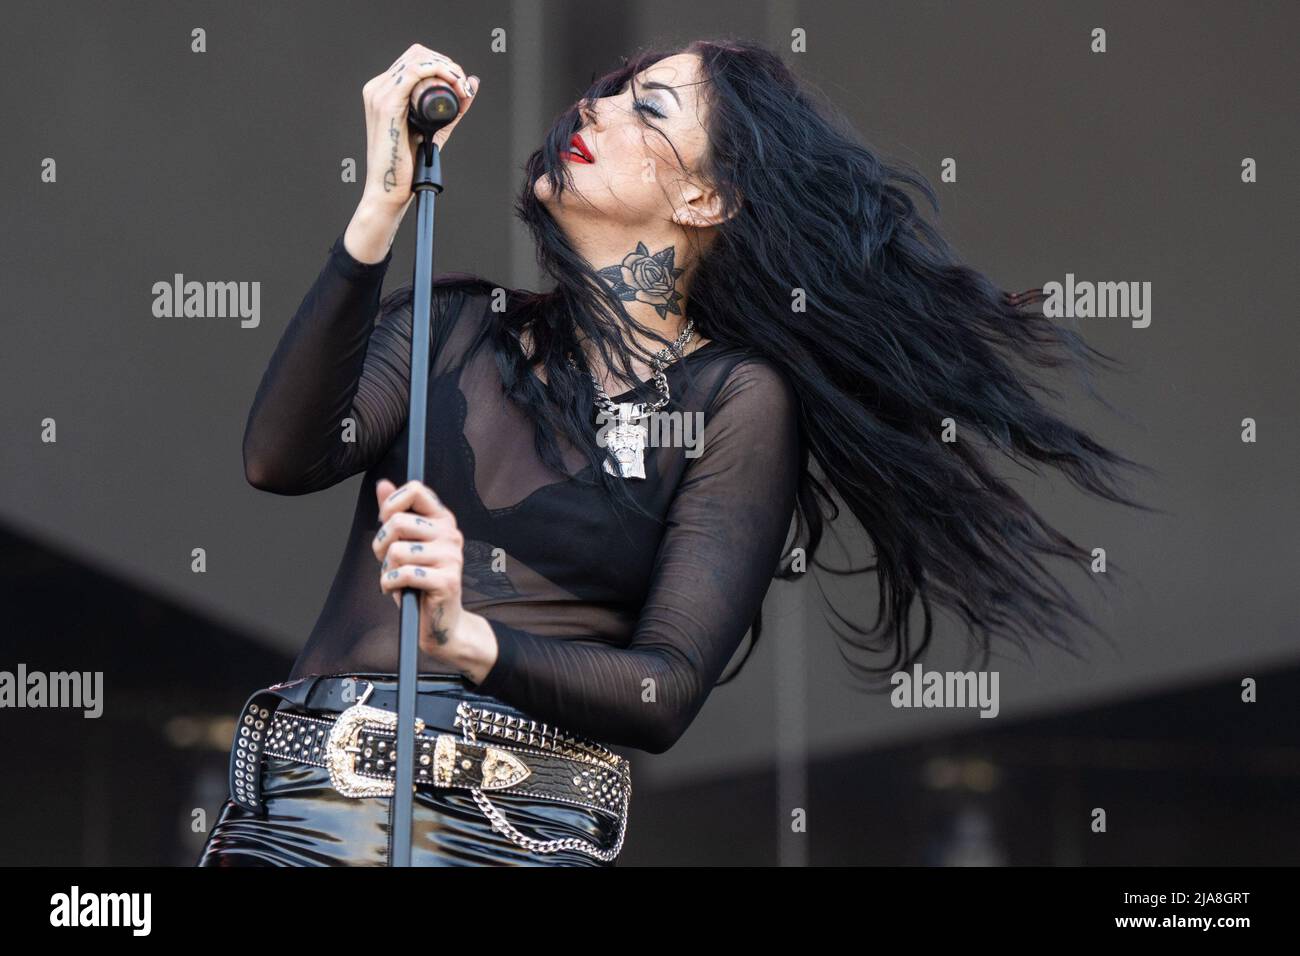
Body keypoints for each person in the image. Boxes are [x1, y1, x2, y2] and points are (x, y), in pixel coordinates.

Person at [197, 38, 1151, 867]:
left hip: (507, 834)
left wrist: (463, 636)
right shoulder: (455, 325)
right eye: (608, 91)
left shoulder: (734, 402)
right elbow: (280, 458)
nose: (594, 108)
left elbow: (664, 690)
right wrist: (381, 208)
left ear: (705, 196)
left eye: (644, 106)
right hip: (296, 816)